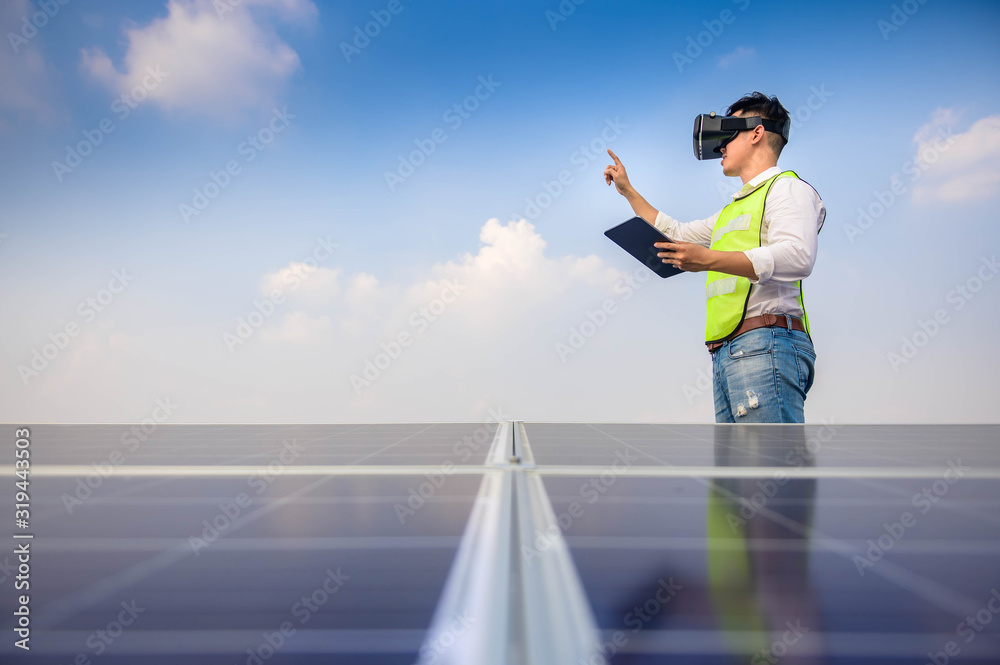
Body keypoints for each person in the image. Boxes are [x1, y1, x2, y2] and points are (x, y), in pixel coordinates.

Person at [603, 92, 826, 423]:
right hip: (729, 353)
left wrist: (707, 260)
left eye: (727, 135)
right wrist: (628, 191)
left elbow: (797, 256)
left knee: (770, 468)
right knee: (739, 471)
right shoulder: (729, 212)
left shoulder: (787, 189)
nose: (720, 147)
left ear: (756, 132)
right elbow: (675, 233)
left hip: (766, 343)